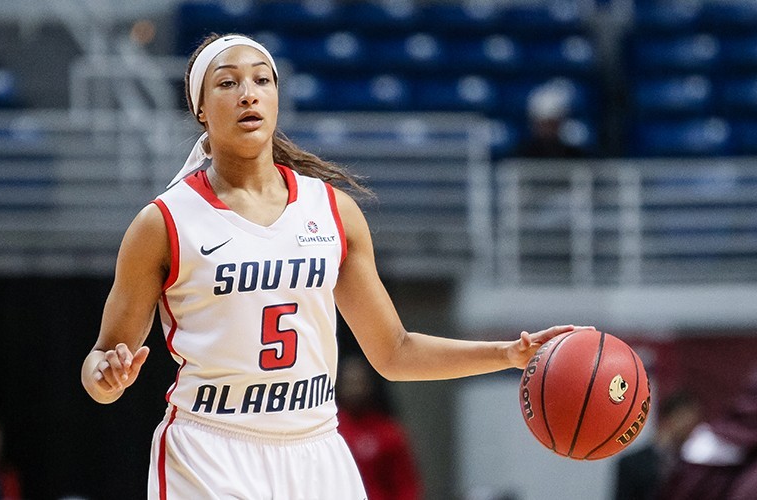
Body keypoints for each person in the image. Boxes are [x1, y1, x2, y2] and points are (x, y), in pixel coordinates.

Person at [80, 33, 575, 499]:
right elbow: (100, 363)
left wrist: (509, 353)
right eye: (228, 83)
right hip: (210, 449)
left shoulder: (332, 210)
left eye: (262, 80)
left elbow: (395, 351)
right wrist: (106, 376)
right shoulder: (163, 222)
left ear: (277, 98)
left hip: (317, 448)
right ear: (201, 110)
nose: (248, 94)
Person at [659, 366, 757, 500]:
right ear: (667, 420)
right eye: (680, 416)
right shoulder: (705, 451)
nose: (686, 421)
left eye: (689, 414)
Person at [336, 354, 422, 500]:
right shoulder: (329, 430)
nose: (354, 389)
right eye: (349, 383)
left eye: (359, 383)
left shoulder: (389, 433)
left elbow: (406, 487)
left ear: (369, 386)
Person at [613, 390, 701, 500]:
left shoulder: (690, 466)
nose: (690, 430)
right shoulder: (631, 463)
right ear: (668, 418)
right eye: (685, 422)